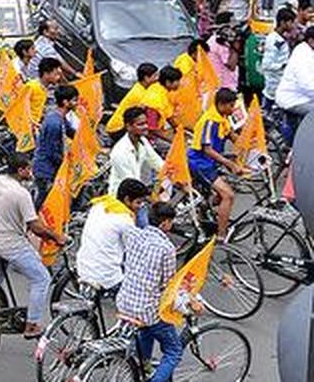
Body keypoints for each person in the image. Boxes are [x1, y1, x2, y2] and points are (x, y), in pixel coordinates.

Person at [0, 154, 65, 338]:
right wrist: (56, 236)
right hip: (11, 244)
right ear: (20, 170)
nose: (31, 171)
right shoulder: (21, 194)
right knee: (42, 278)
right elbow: (34, 226)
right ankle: (33, 324)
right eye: (28, 168)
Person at [116, 202, 183, 382]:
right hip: (146, 309)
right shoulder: (166, 248)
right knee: (173, 350)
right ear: (165, 223)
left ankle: (142, 366)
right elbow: (169, 286)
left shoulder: (134, 235)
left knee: (146, 331)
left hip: (124, 301)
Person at [77, 179, 150, 292]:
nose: (140, 206)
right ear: (127, 200)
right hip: (106, 275)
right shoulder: (125, 219)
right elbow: (134, 249)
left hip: (83, 265)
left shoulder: (100, 205)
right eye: (138, 202)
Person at [188, 88, 243, 239]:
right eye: (231, 106)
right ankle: (221, 234)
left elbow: (233, 136)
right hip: (200, 163)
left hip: (210, 163)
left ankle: (202, 209)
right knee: (228, 195)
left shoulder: (223, 118)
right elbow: (207, 150)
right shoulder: (210, 121)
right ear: (221, 104)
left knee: (219, 196)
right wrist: (229, 164)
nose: (233, 109)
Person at [32, 85, 77, 208]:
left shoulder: (60, 117)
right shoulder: (54, 123)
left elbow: (71, 132)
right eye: (74, 100)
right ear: (65, 102)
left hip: (51, 167)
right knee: (43, 201)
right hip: (45, 169)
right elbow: (51, 151)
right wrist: (65, 164)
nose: (76, 103)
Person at [276, 26, 314, 128]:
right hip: (293, 99)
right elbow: (307, 85)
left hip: (305, 96)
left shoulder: (310, 51)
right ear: (311, 41)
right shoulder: (302, 55)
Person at [106, 63, 157, 135]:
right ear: (146, 78)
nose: (157, 78)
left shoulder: (140, 87)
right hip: (119, 128)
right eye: (155, 76)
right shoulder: (139, 94)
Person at [262, 7, 296, 109]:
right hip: (273, 88)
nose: (293, 25)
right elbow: (267, 65)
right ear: (282, 22)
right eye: (290, 22)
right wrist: (284, 66)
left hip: (281, 86)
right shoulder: (274, 40)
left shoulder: (282, 38)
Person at [142, 66, 183, 143]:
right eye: (177, 81)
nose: (179, 83)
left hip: (157, 130)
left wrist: (178, 128)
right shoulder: (155, 100)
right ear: (168, 82)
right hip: (149, 137)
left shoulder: (160, 89)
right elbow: (152, 129)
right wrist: (172, 141)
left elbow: (168, 114)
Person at [25, 57, 64, 124]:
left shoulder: (47, 89)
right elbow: (24, 102)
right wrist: (31, 120)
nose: (58, 77)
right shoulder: (32, 85)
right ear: (46, 74)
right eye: (56, 74)